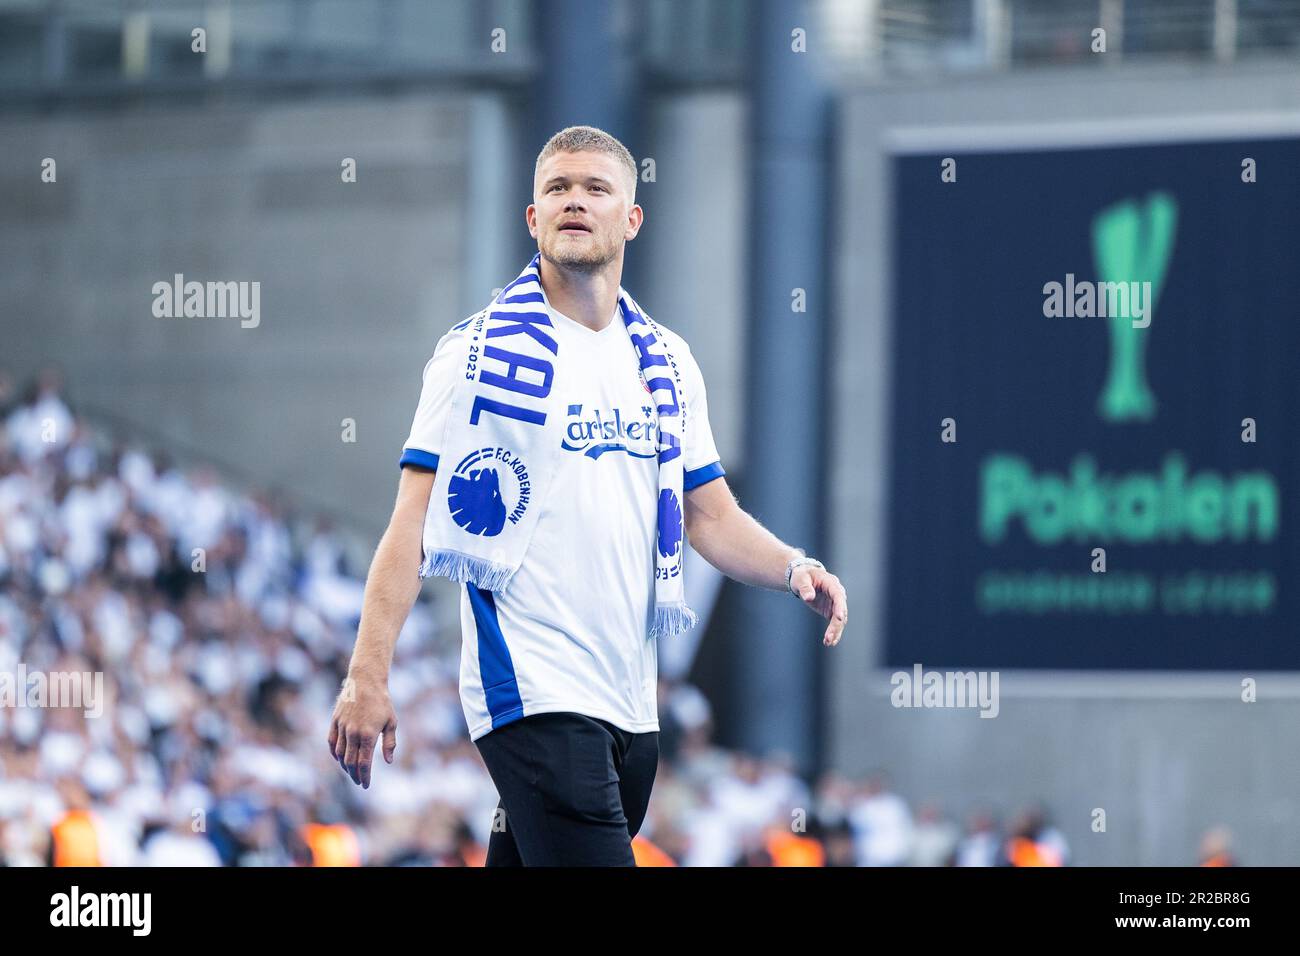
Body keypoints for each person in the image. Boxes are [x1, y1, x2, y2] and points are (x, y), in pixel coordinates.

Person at [329, 125, 848, 866]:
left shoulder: (667, 360)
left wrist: (793, 566)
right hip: (535, 696)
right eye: (558, 189)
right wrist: (366, 676)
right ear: (533, 219)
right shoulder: (473, 355)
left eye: (596, 188)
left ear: (631, 218)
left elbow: (711, 515)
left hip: (631, 708)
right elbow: (412, 525)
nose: (576, 201)